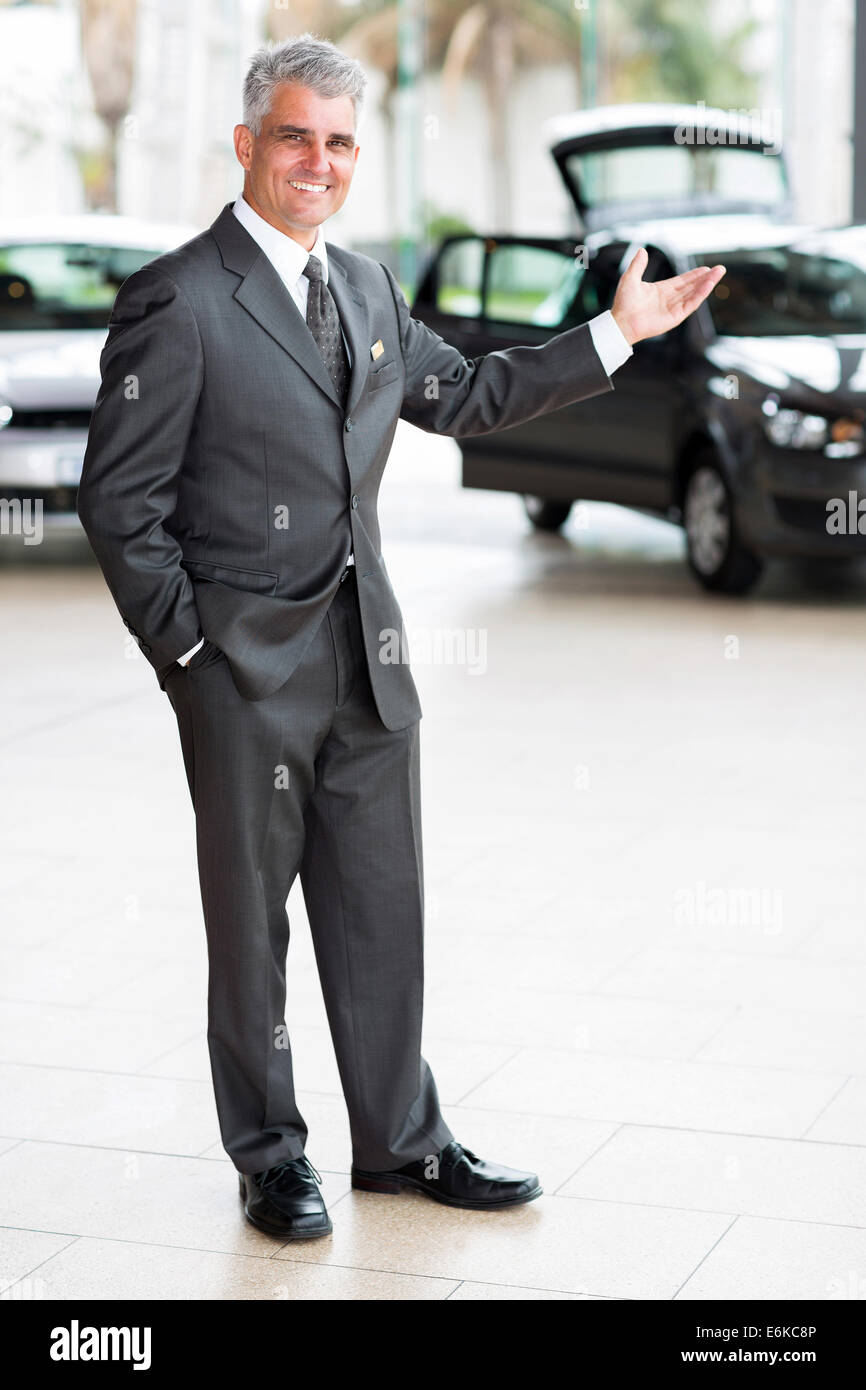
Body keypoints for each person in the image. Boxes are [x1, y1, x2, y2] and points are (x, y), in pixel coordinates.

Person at [77, 34, 725, 1240]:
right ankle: (270, 1155)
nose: (315, 162)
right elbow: (121, 502)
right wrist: (190, 663)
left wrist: (613, 333)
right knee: (250, 929)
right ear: (245, 144)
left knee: (382, 912)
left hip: (367, 665)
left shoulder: (368, 290)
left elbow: (468, 395)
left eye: (336, 142)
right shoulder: (177, 298)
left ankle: (400, 1142)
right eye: (292, 136)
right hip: (240, 676)